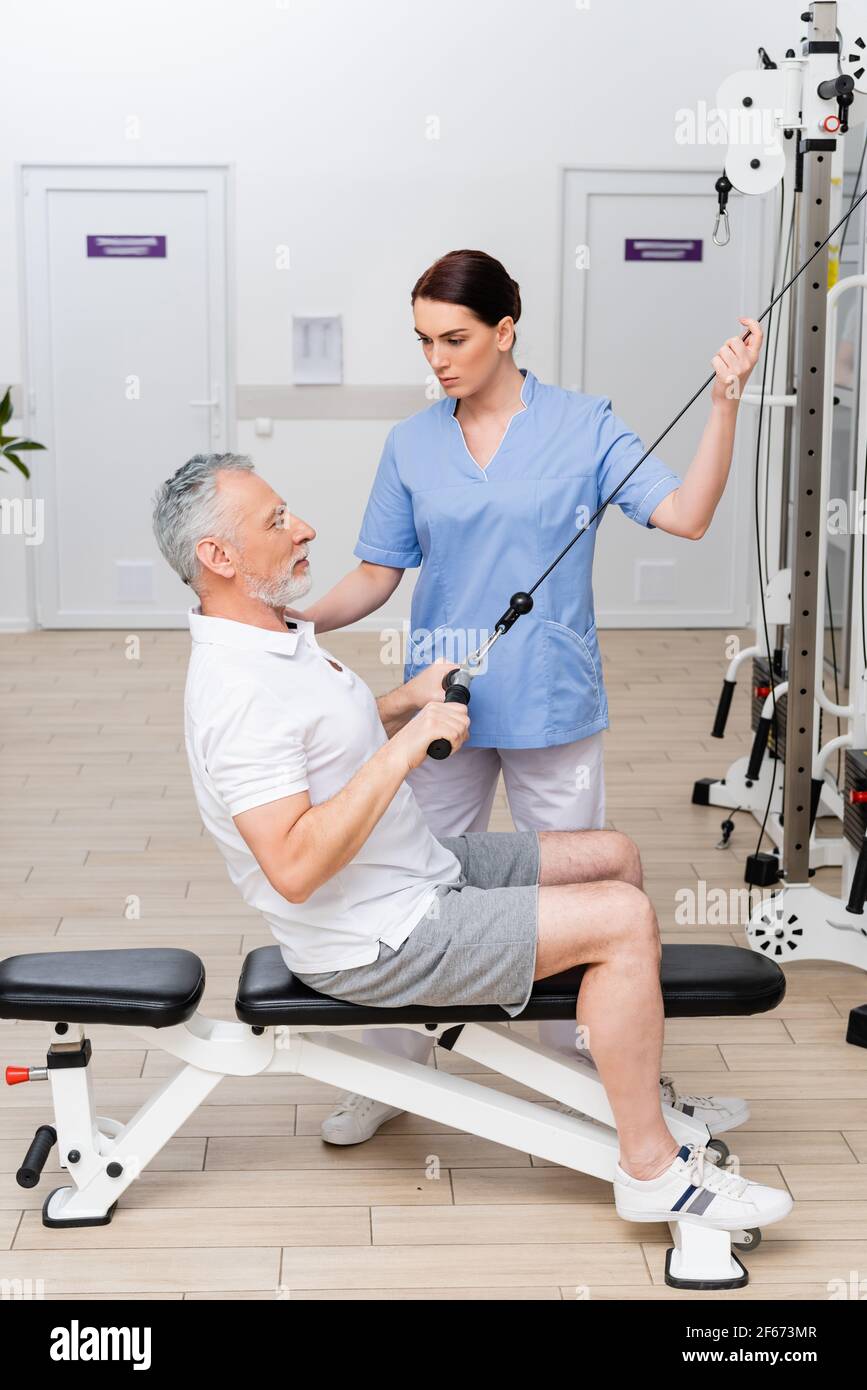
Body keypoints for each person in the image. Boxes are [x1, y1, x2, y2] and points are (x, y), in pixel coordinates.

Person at [150, 451, 791, 1231]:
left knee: (611, 855)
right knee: (622, 918)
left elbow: (319, 749)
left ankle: (626, 1082)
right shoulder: (236, 692)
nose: (304, 528)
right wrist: (410, 742)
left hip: (418, 873)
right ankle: (650, 1167)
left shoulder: (274, 637)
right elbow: (290, 865)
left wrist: (401, 703)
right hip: (376, 937)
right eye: (276, 520)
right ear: (217, 557)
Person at [293, 249, 763, 1142]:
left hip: (550, 697)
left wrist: (723, 401)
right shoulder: (413, 441)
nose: (437, 358)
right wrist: (298, 625)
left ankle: (582, 1068)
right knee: (412, 890)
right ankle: (391, 1072)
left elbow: (687, 515)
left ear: (505, 331)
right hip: (442, 708)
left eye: (455, 338)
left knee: (574, 894)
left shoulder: (584, 426)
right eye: (424, 340)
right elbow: (376, 571)